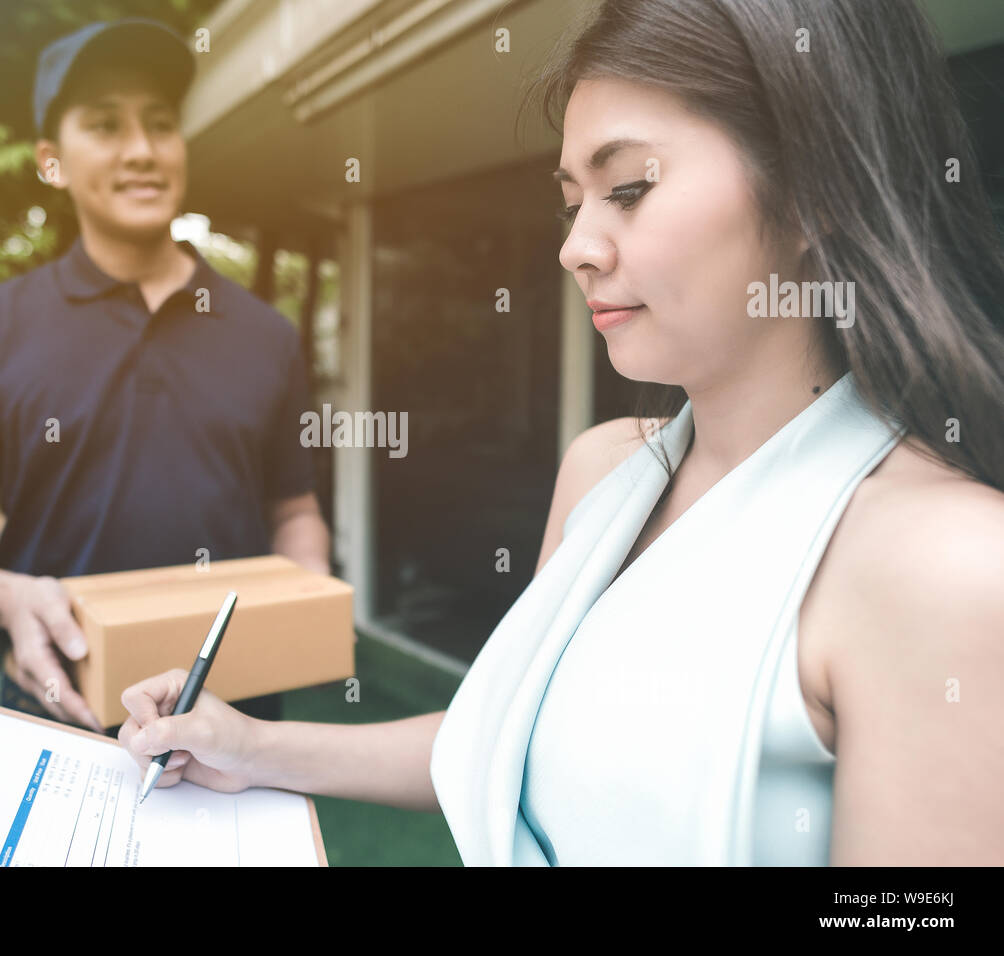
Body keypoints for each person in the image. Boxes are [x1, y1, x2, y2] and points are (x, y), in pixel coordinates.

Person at [115, 0, 1004, 864]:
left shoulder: (946, 564)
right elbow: (506, 733)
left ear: (820, 191)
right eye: (573, 200)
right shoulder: (602, 469)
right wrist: (249, 746)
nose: (576, 245)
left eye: (628, 187)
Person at [0, 18, 330, 734]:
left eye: (160, 125)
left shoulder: (267, 335)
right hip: (54, 714)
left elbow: (293, 510)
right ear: (50, 162)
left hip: (237, 726)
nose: (141, 150)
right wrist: (3, 595)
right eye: (105, 125)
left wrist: (303, 591)